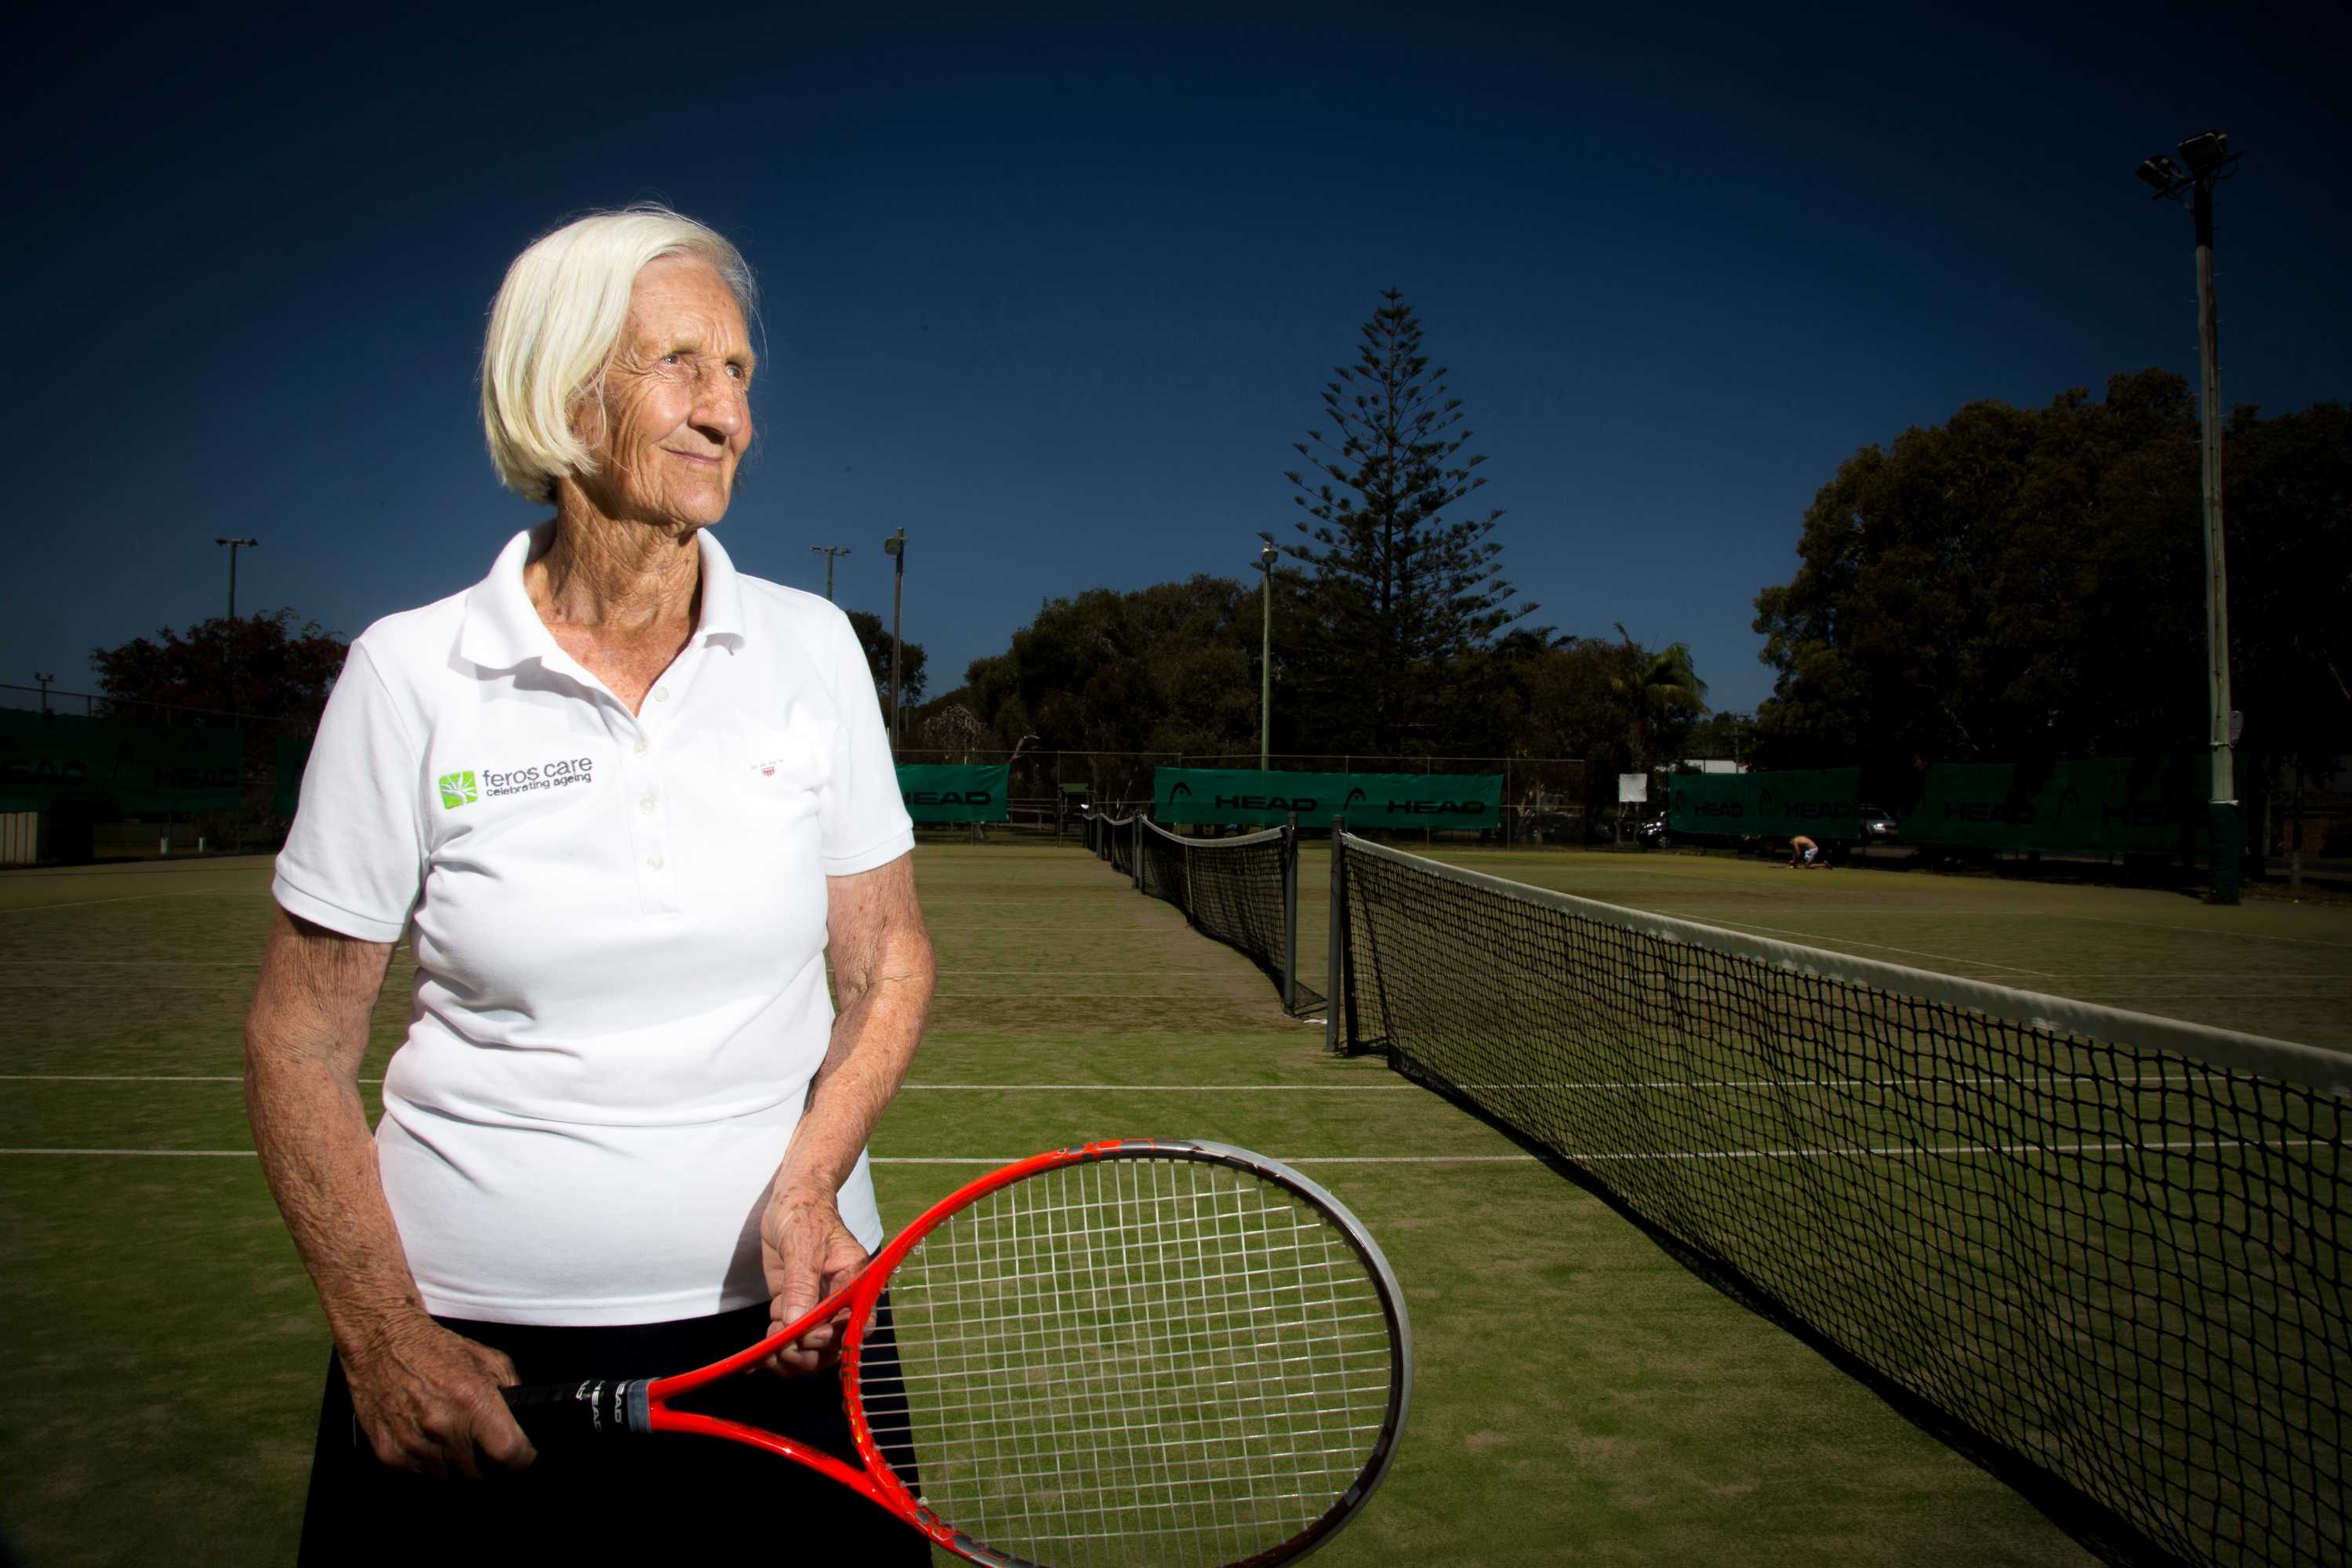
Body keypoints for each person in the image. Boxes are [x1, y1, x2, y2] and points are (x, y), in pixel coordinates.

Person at [244, 207, 935, 1559]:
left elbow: (887, 961)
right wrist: (381, 1335)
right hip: (477, 1360)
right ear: (564, 396)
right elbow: (299, 1040)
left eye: (738, 373)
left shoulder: (812, 650)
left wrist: (811, 1188)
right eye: (680, 365)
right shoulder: (408, 672)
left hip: (799, 1324)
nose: (727, 413)